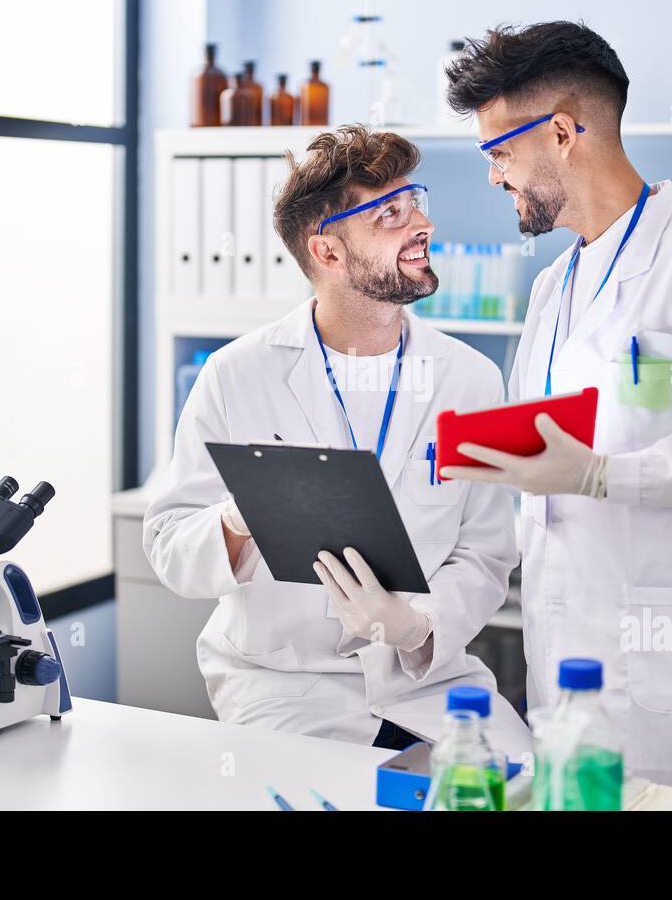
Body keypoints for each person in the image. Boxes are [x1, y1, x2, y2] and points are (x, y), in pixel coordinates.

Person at [438, 21, 672, 803]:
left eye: (499, 152)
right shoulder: (553, 289)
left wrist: (610, 475)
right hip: (568, 682)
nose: (493, 177)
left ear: (561, 131)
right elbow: (553, 450)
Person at [143, 125, 531, 754]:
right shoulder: (237, 374)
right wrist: (241, 516)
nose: (422, 223)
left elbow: (486, 553)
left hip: (429, 682)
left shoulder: (469, 378)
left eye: (416, 202)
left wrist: (416, 628)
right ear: (327, 253)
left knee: (527, 787)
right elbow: (168, 546)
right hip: (284, 683)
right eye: (390, 214)